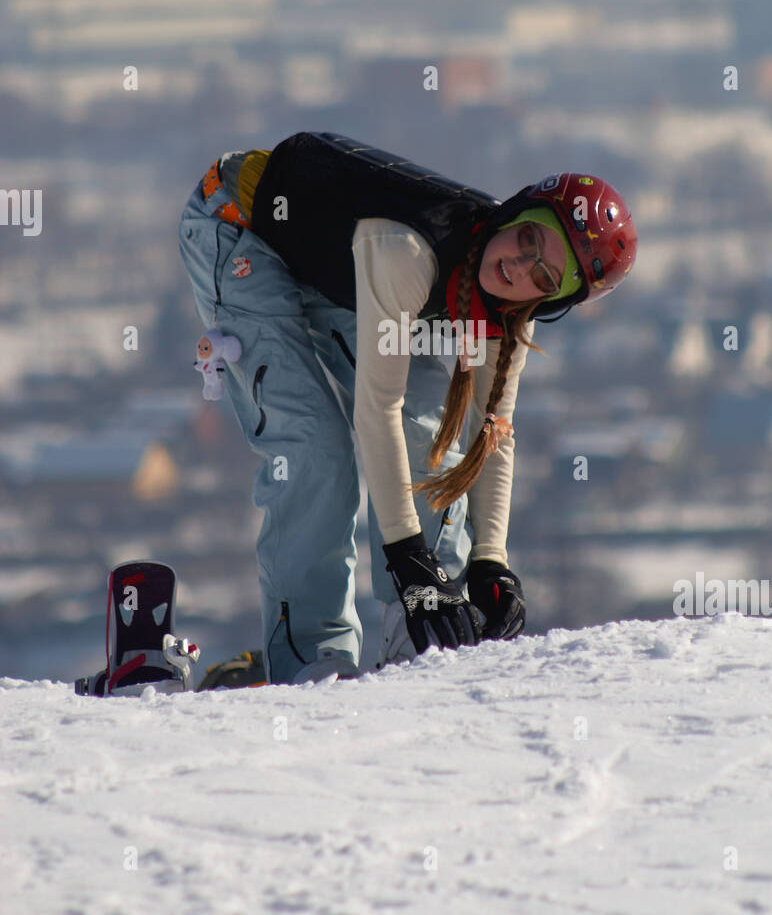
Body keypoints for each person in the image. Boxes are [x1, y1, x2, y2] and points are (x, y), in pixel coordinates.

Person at [178, 131, 637, 685]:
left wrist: (491, 561)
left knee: (427, 421)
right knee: (313, 447)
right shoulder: (408, 249)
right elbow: (377, 409)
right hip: (241, 226)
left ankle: (423, 631)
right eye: (529, 238)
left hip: (334, 265)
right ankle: (313, 659)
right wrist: (406, 556)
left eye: (542, 275)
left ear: (548, 301)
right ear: (517, 212)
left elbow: (493, 432)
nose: (520, 266)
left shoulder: (509, 314)